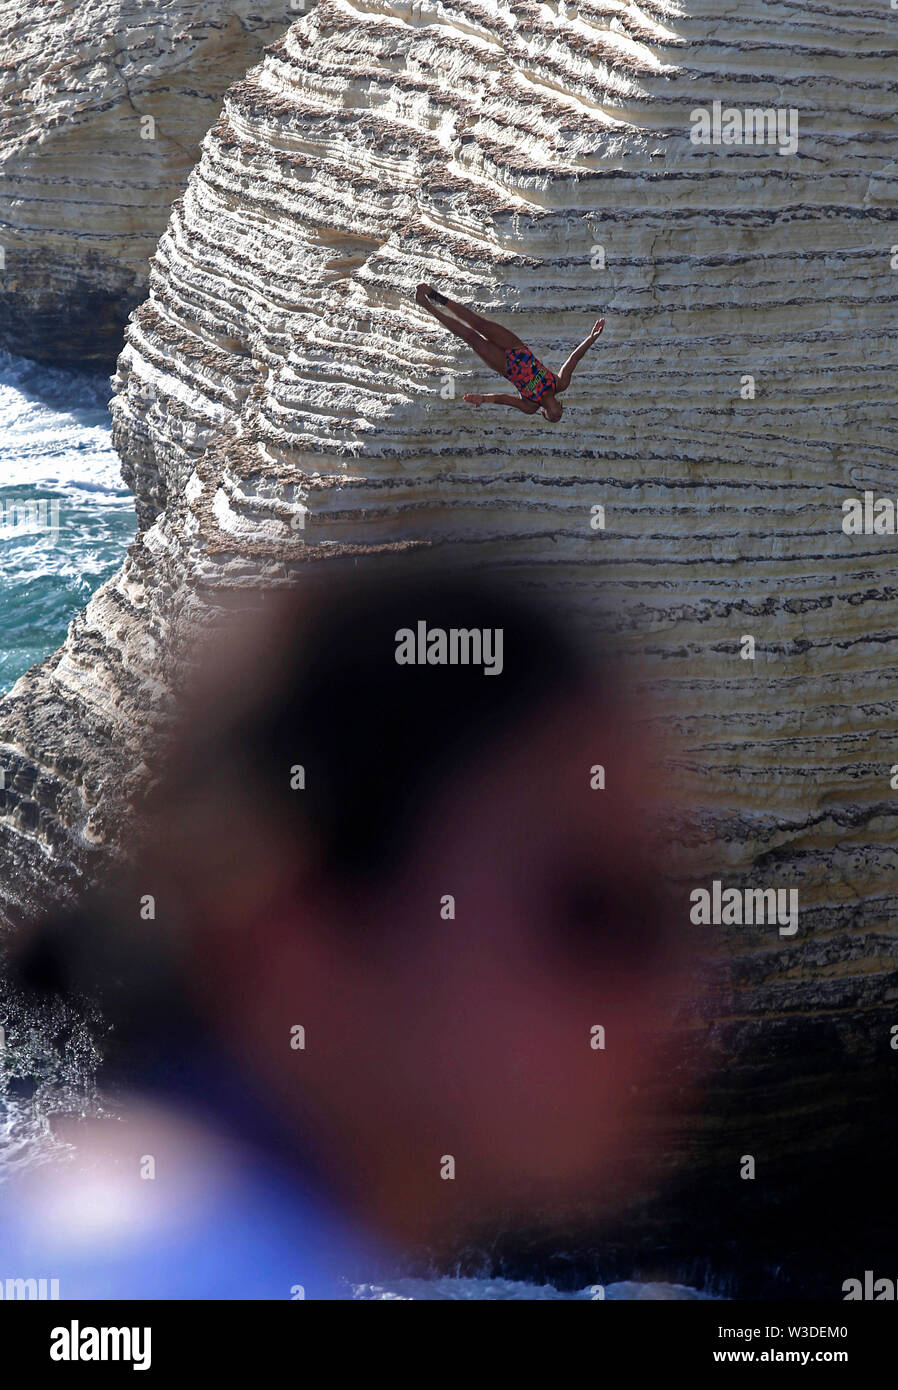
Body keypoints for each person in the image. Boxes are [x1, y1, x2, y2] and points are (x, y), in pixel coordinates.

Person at [0, 557, 703, 1298]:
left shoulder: (103, 1246)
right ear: (294, 931)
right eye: (592, 911)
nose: (685, 984)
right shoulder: (191, 1274)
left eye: (669, 898)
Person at [415, 283, 604, 422]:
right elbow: (574, 358)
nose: (556, 415)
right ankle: (433, 294)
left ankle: (427, 306)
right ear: (560, 406)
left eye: (552, 418)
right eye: (560, 415)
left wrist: (483, 399)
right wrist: (592, 337)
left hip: (505, 366)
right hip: (517, 348)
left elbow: (504, 399)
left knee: (471, 337)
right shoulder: (559, 384)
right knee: (478, 323)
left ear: (544, 413)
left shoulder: (531, 406)